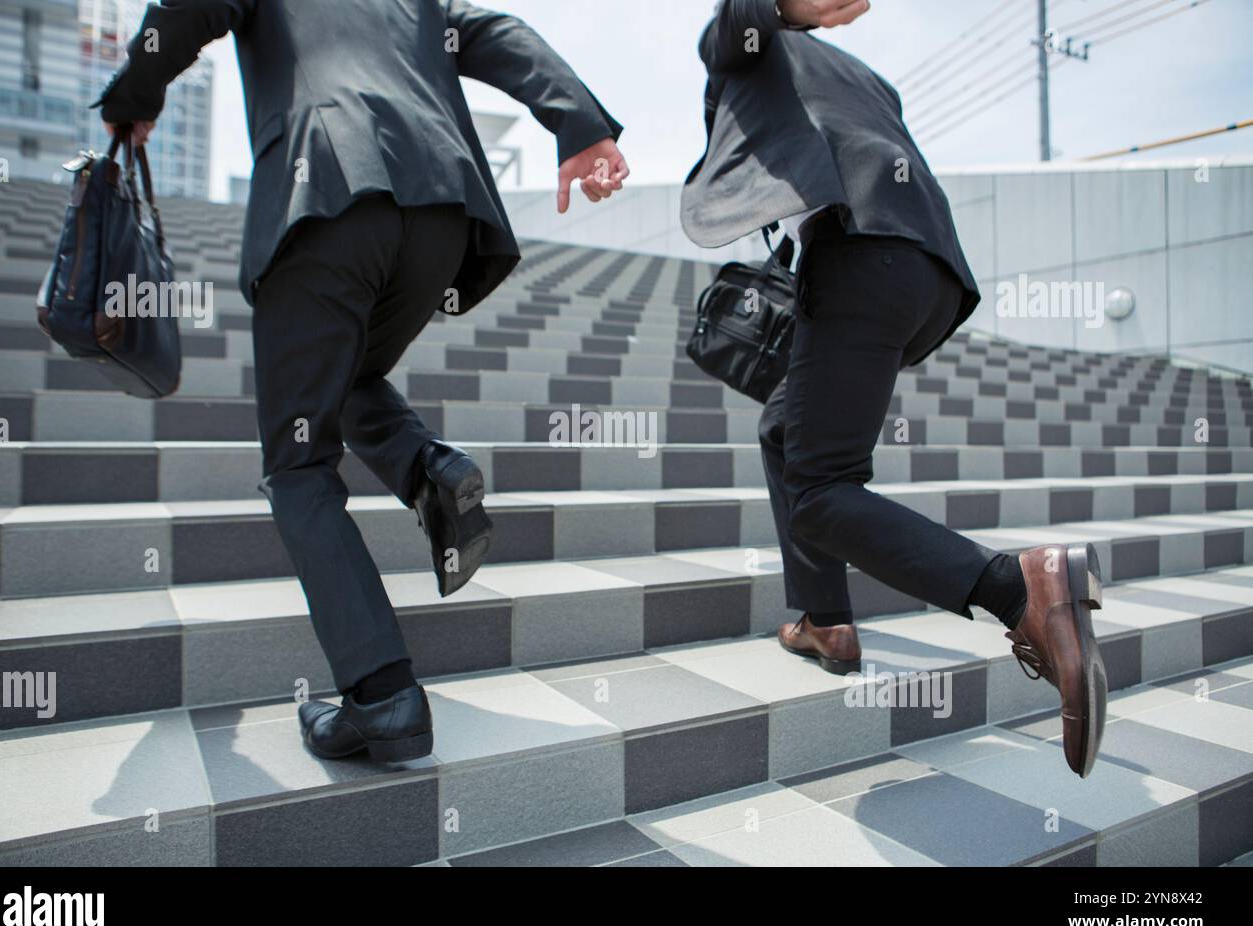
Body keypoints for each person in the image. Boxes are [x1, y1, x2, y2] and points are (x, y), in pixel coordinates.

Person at [95, 0, 629, 763]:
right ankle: (427, 467)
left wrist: (132, 98)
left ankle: (381, 695)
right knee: (343, 379)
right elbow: (500, 34)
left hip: (326, 193)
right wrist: (582, 126)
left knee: (296, 463)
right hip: (441, 209)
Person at [681, 0, 1106, 777]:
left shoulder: (750, 44)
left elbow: (727, 27)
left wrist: (772, 8)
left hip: (859, 255)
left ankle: (1019, 587)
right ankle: (825, 618)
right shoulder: (861, 73)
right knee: (785, 428)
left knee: (821, 488)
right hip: (928, 273)